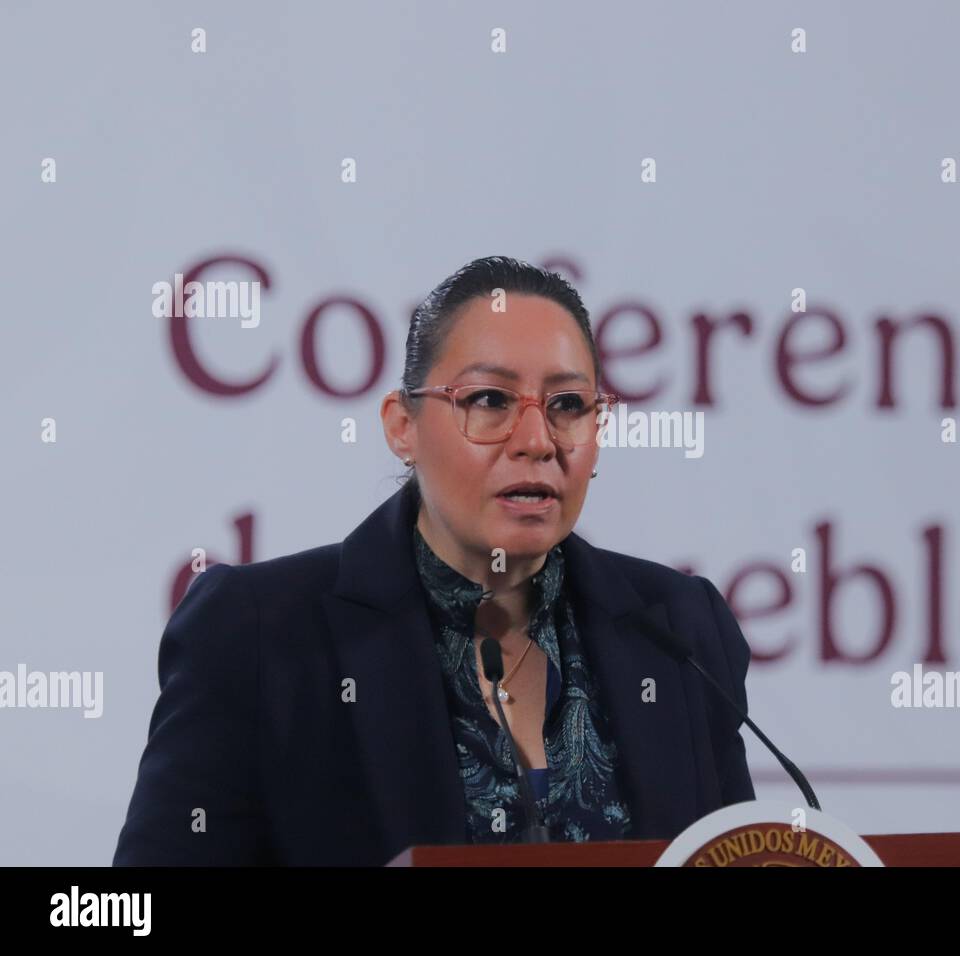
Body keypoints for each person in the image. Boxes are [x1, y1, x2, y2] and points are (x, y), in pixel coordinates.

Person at [112, 255, 755, 865]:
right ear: (402, 426)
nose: (536, 442)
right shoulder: (258, 634)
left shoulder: (679, 629)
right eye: (489, 401)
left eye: (567, 406)